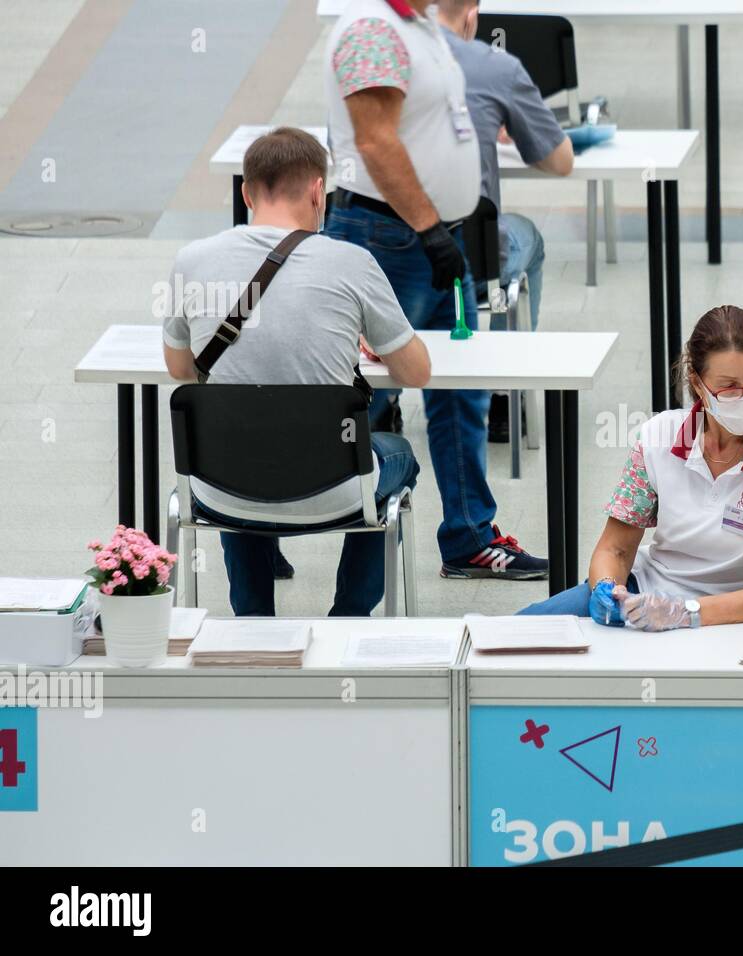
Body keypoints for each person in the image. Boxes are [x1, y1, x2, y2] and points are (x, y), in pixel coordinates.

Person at [161, 127, 430, 617]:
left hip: (221, 491)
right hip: (334, 492)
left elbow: (181, 369)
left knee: (240, 441)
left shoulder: (192, 260)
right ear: (317, 191)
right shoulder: (353, 262)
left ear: (245, 192)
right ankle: (348, 615)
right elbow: (416, 373)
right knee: (399, 453)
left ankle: (252, 612)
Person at [323, 0, 547, 579]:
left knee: (461, 388)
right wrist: (428, 228)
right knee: (367, 392)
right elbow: (374, 142)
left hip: (432, 234)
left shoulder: (419, 26)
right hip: (393, 236)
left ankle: (470, 537)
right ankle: (289, 516)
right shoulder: (372, 28)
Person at [519, 305, 743, 630]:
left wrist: (686, 612)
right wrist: (607, 588)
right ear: (698, 384)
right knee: (519, 631)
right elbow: (616, 548)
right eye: (730, 388)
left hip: (737, 614)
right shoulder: (657, 438)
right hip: (646, 593)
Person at [436, 0, 574, 442]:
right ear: (472, 15)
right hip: (473, 266)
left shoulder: (381, 58)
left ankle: (384, 406)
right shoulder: (496, 67)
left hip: (393, 270)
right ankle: (502, 397)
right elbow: (560, 161)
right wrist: (507, 120)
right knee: (526, 235)